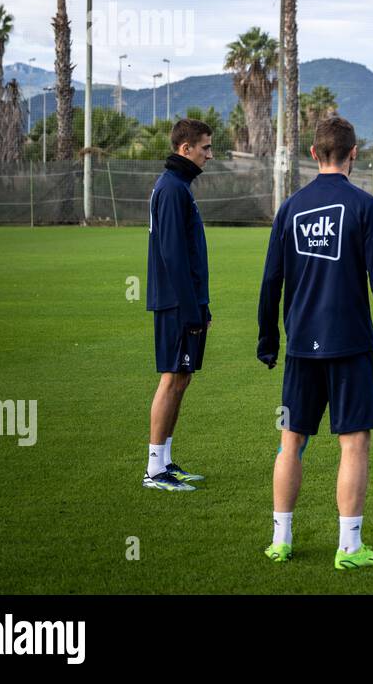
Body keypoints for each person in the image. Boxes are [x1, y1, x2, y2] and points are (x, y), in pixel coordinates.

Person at [257, 116, 373, 569]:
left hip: (300, 346)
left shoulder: (290, 208)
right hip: (351, 345)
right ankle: (349, 547)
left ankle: (281, 540)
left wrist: (269, 340)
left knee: (292, 441)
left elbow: (271, 279)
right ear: (353, 154)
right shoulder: (366, 206)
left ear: (313, 154)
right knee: (354, 442)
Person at [144, 118, 214, 491]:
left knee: (181, 378)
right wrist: (190, 309)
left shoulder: (179, 186)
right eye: (205, 147)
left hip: (185, 302)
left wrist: (201, 305)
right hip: (174, 304)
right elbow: (172, 254)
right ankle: (154, 470)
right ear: (184, 148)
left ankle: (166, 462)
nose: (209, 154)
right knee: (171, 378)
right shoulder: (171, 189)